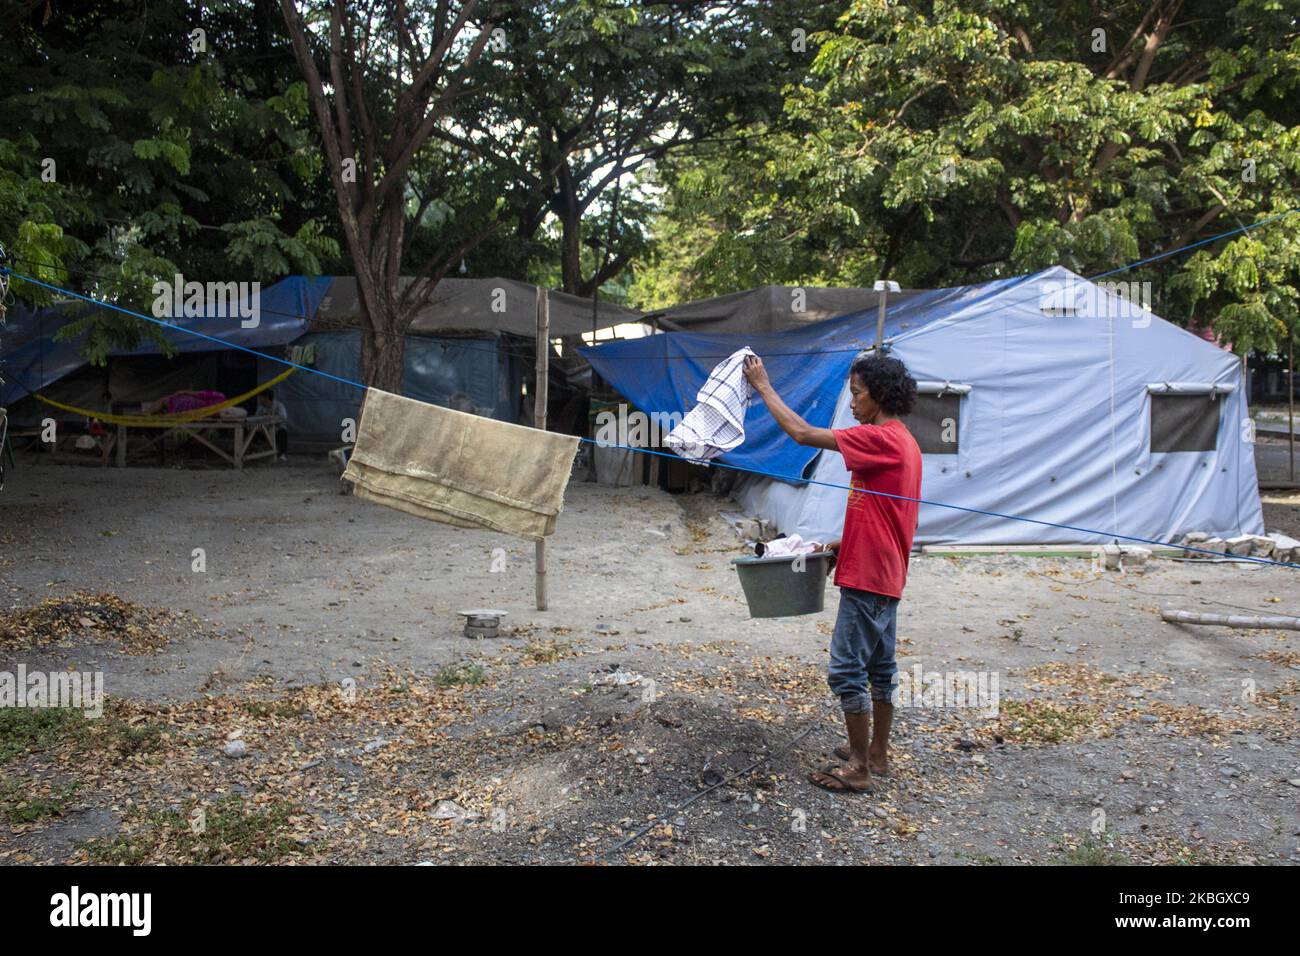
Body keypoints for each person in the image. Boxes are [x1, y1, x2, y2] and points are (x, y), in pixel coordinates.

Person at [743, 351, 922, 794]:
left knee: (845, 670)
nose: (853, 404)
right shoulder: (906, 441)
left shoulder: (879, 438)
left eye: (857, 394)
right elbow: (890, 514)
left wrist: (763, 385)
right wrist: (840, 544)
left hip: (868, 578)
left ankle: (859, 768)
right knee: (881, 668)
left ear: (879, 395)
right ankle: (877, 753)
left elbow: (802, 434)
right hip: (886, 571)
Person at [256, 388, 290, 460]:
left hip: (277, 430)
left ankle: (283, 454)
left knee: (283, 431)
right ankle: (256, 451)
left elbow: (283, 417)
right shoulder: (260, 408)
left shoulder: (279, 406)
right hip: (264, 430)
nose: (259, 400)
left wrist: (271, 418)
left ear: (266, 398)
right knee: (253, 432)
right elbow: (256, 418)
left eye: (260, 398)